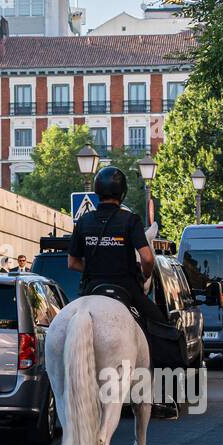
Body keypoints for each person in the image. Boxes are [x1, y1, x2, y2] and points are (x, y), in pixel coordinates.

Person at [67, 165, 177, 418]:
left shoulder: (84, 221)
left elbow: (71, 263)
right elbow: (147, 258)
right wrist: (145, 275)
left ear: (96, 191)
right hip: (125, 287)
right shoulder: (130, 220)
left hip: (91, 288)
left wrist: (94, 266)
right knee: (163, 331)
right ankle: (163, 397)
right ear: (123, 193)